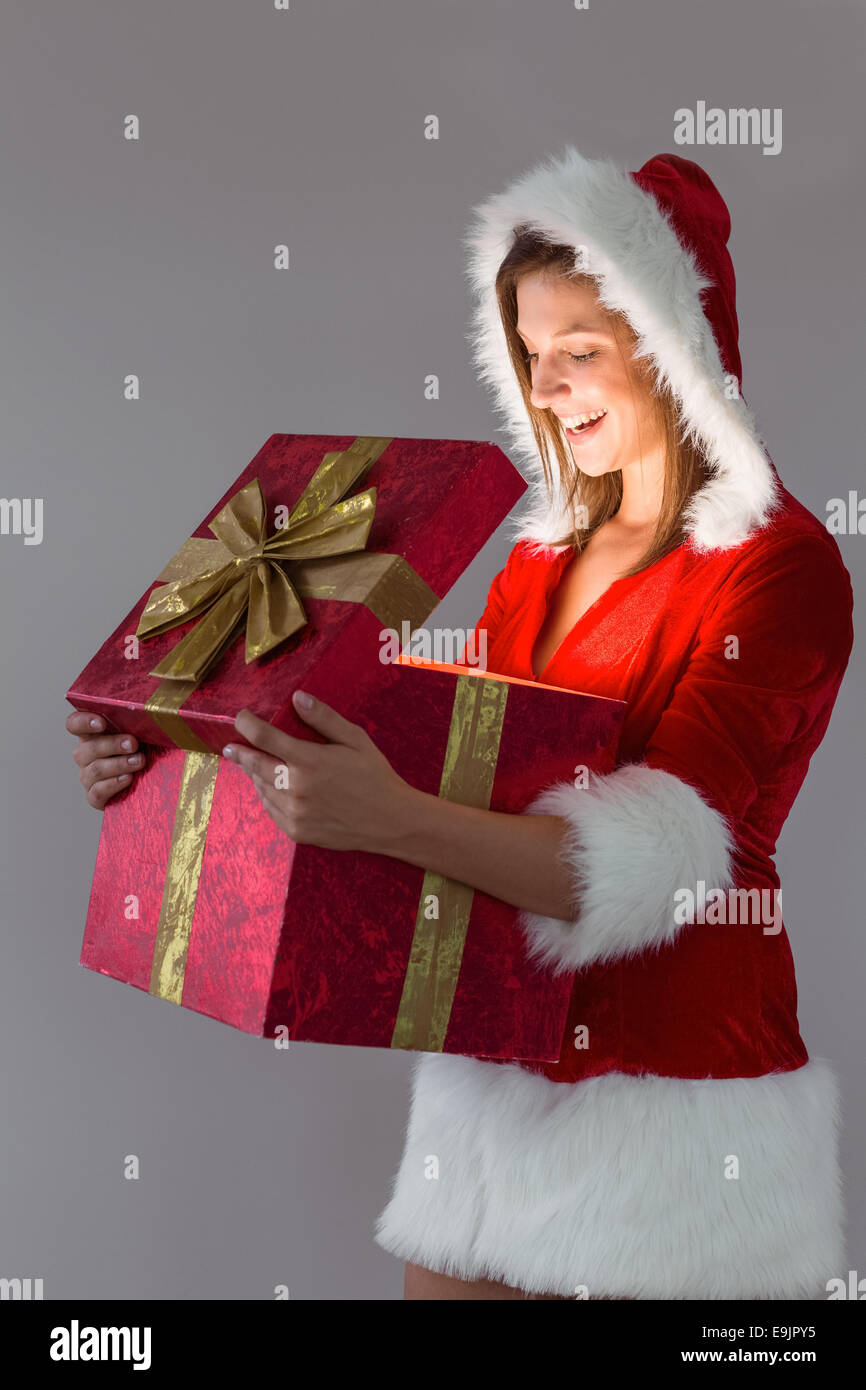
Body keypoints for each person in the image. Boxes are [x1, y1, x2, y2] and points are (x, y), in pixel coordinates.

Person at [67, 147, 854, 1302]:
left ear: (677, 349)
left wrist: (386, 815)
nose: (548, 392)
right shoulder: (538, 565)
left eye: (579, 354)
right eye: (533, 359)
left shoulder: (776, 572)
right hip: (489, 1077)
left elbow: (651, 872)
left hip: (672, 1114)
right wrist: (175, 759)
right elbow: (423, 792)